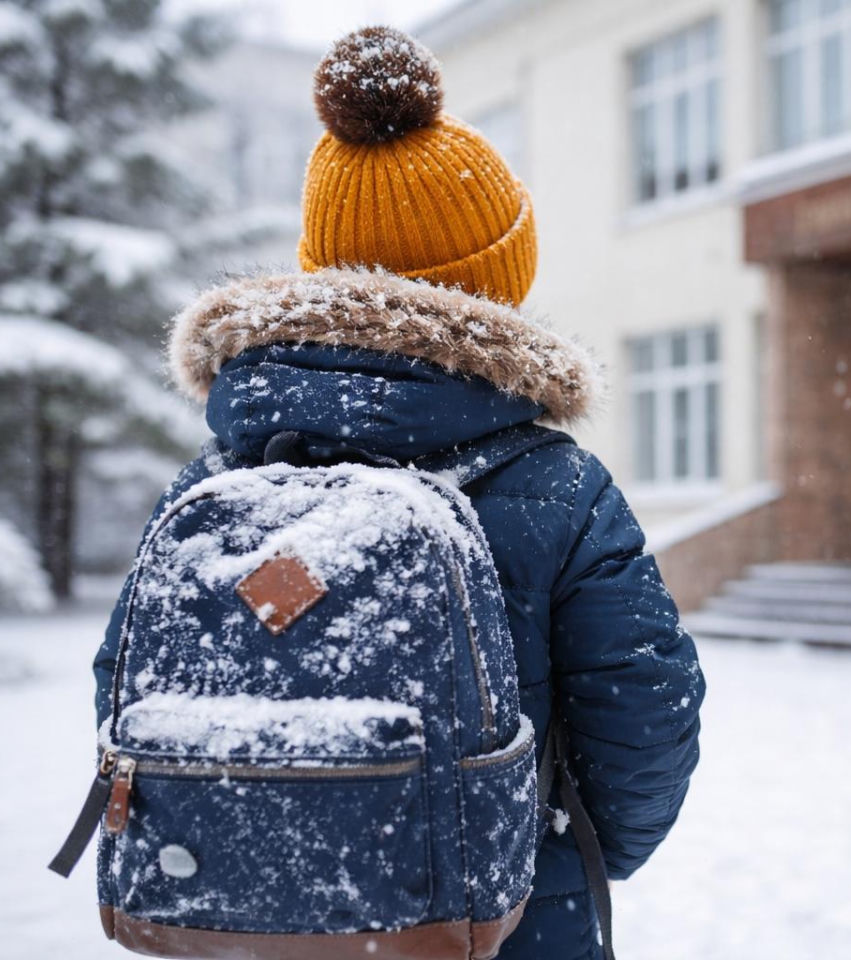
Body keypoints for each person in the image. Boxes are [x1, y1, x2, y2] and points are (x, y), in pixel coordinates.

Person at [92, 26, 704, 960]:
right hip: (492, 921)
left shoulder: (216, 477)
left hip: (234, 924)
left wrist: (260, 873)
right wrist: (554, 859)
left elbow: (121, 685)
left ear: (319, 263)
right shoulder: (558, 485)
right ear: (499, 276)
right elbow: (647, 712)